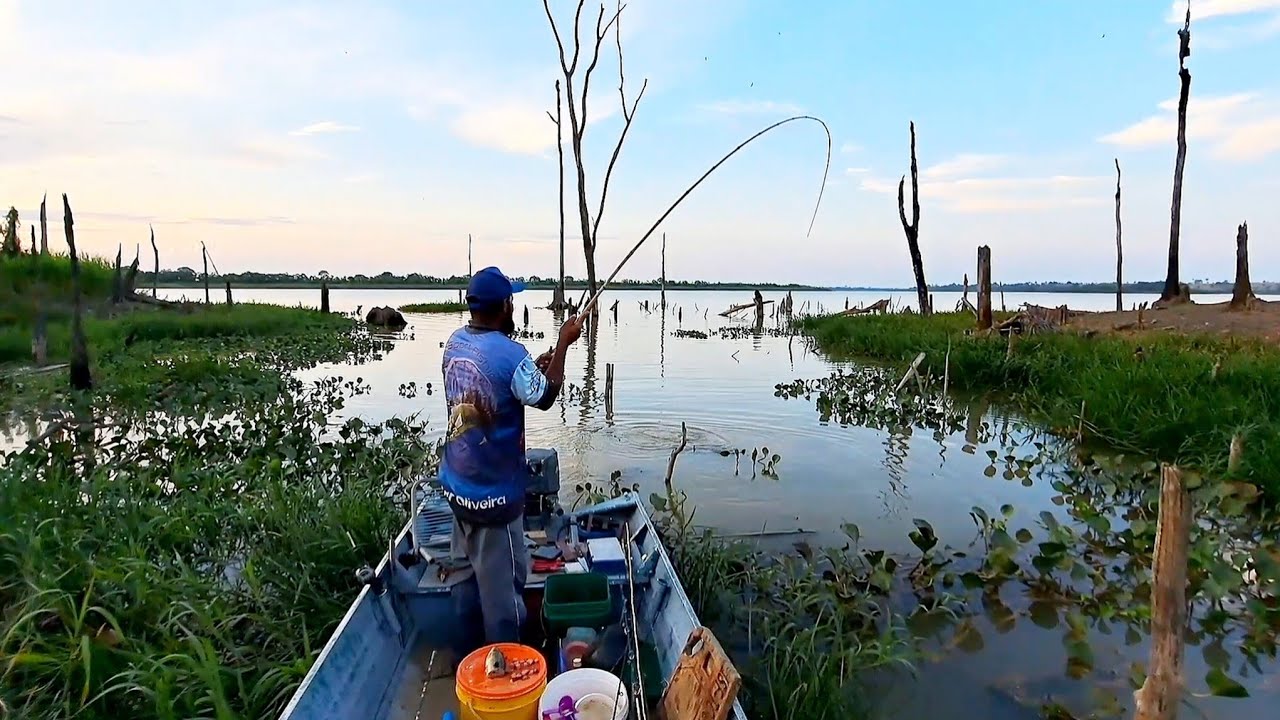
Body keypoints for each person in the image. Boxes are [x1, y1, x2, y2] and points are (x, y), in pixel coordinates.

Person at [439, 266, 583, 655]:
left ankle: (464, 660)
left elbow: (497, 382)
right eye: (512, 301)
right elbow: (547, 395)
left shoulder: (455, 343)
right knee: (503, 600)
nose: (514, 307)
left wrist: (533, 366)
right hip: (494, 501)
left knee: (464, 582)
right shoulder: (509, 353)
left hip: (456, 489)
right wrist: (564, 344)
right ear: (504, 306)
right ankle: (505, 677)